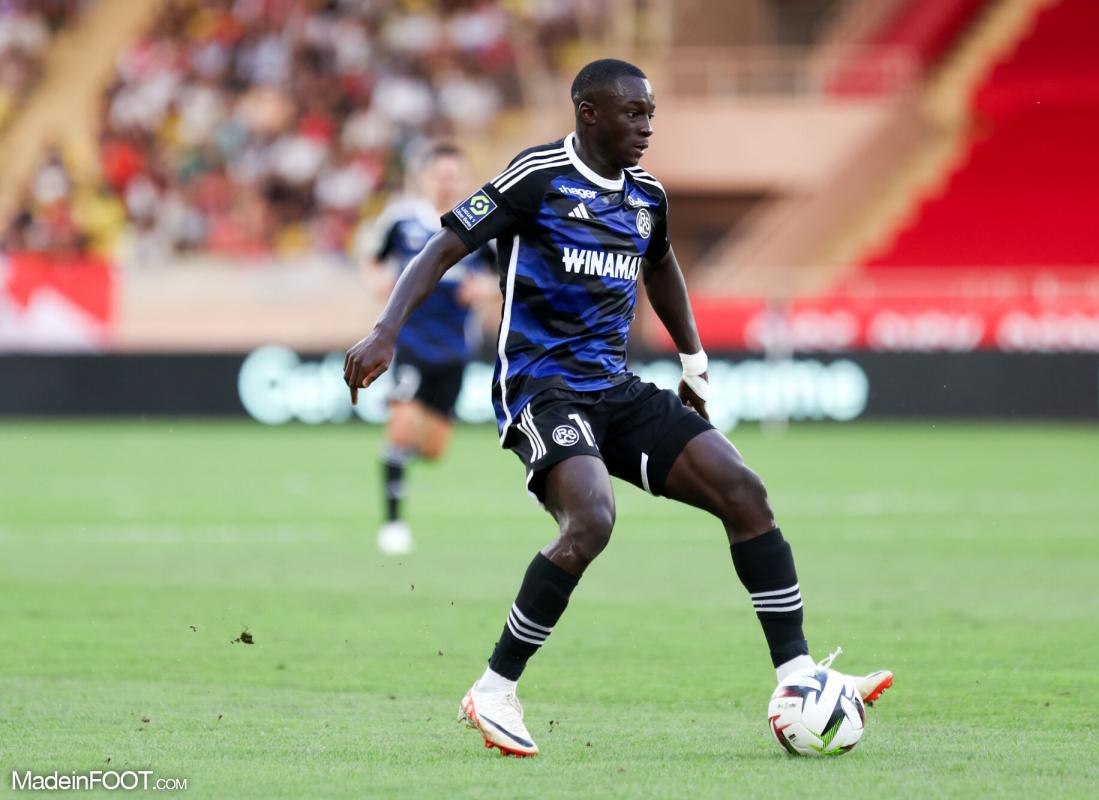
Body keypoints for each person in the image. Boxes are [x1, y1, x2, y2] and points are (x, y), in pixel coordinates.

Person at [343, 59, 893, 756]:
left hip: (617, 389)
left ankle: (796, 676)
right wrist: (387, 328)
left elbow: (660, 265)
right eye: (633, 113)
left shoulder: (645, 197)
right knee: (592, 518)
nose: (647, 127)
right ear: (589, 112)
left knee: (744, 492)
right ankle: (493, 689)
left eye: (651, 113)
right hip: (542, 388)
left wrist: (693, 361)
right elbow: (446, 243)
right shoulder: (536, 176)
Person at [360, 141, 496, 554]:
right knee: (401, 424)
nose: (446, 181)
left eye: (453, 175)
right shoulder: (402, 220)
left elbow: (504, 275)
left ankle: (395, 459)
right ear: (424, 177)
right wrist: (377, 283)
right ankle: (393, 524)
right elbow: (371, 259)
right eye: (440, 174)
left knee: (434, 449)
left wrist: (485, 290)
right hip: (410, 341)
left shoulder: (480, 221)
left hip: (455, 348)